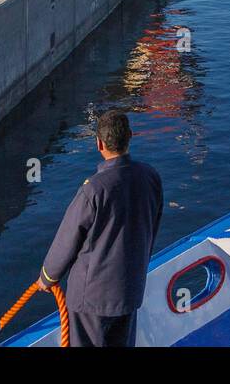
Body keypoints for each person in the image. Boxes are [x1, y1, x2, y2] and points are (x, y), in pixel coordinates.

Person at [39, 110, 163, 347]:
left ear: (99, 144)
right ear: (130, 136)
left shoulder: (93, 190)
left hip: (91, 298)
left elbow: (68, 238)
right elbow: (152, 225)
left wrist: (48, 275)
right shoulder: (150, 177)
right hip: (130, 289)